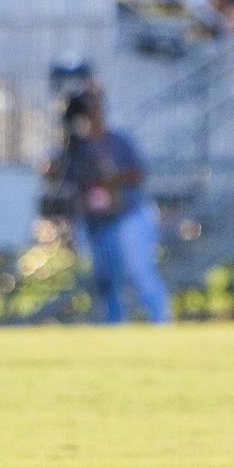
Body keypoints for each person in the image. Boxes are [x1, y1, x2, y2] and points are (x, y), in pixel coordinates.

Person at [52, 88, 170, 324]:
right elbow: (65, 180)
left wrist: (113, 176)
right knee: (106, 280)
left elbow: (139, 172)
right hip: (97, 221)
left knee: (139, 270)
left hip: (127, 215)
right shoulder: (75, 149)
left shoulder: (117, 140)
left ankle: (160, 321)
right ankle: (113, 326)